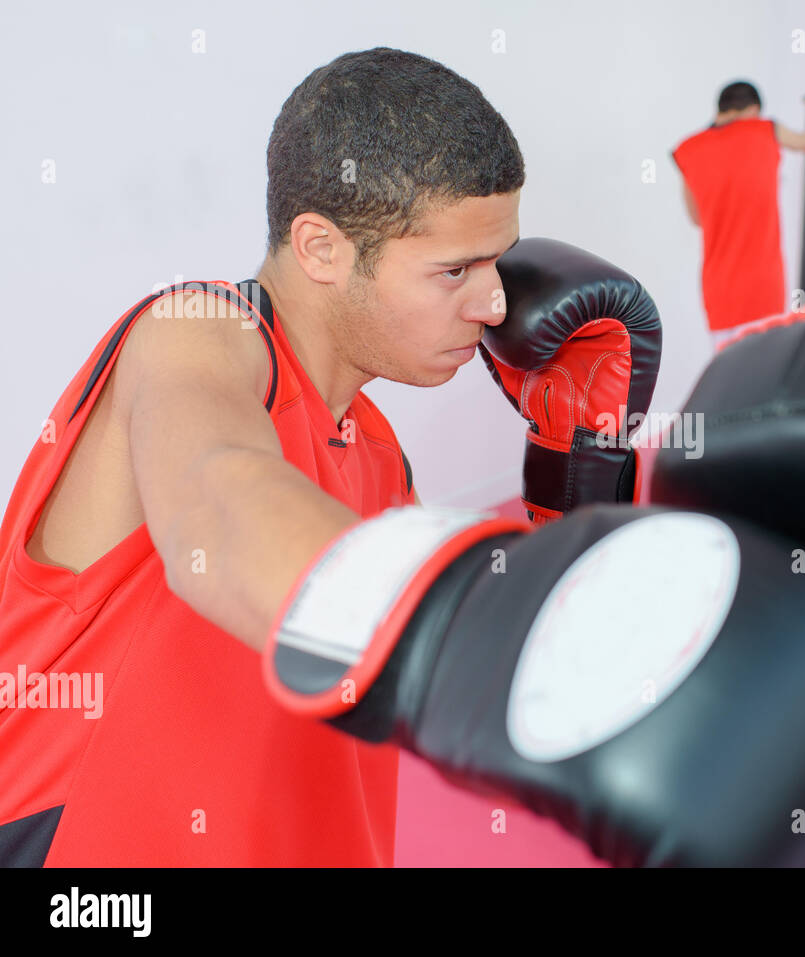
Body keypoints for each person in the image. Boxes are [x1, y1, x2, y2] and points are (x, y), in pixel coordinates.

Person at [0, 47, 525, 866]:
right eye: (454, 270)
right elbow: (221, 509)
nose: (494, 303)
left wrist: (578, 466)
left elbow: (497, 703)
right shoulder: (192, 338)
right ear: (320, 247)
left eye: (498, 263)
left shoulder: (377, 456)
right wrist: (450, 633)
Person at [673, 80, 805, 349]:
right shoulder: (764, 129)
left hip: (718, 290)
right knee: (760, 373)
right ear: (753, 109)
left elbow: (696, 218)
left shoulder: (686, 150)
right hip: (762, 288)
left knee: (726, 375)